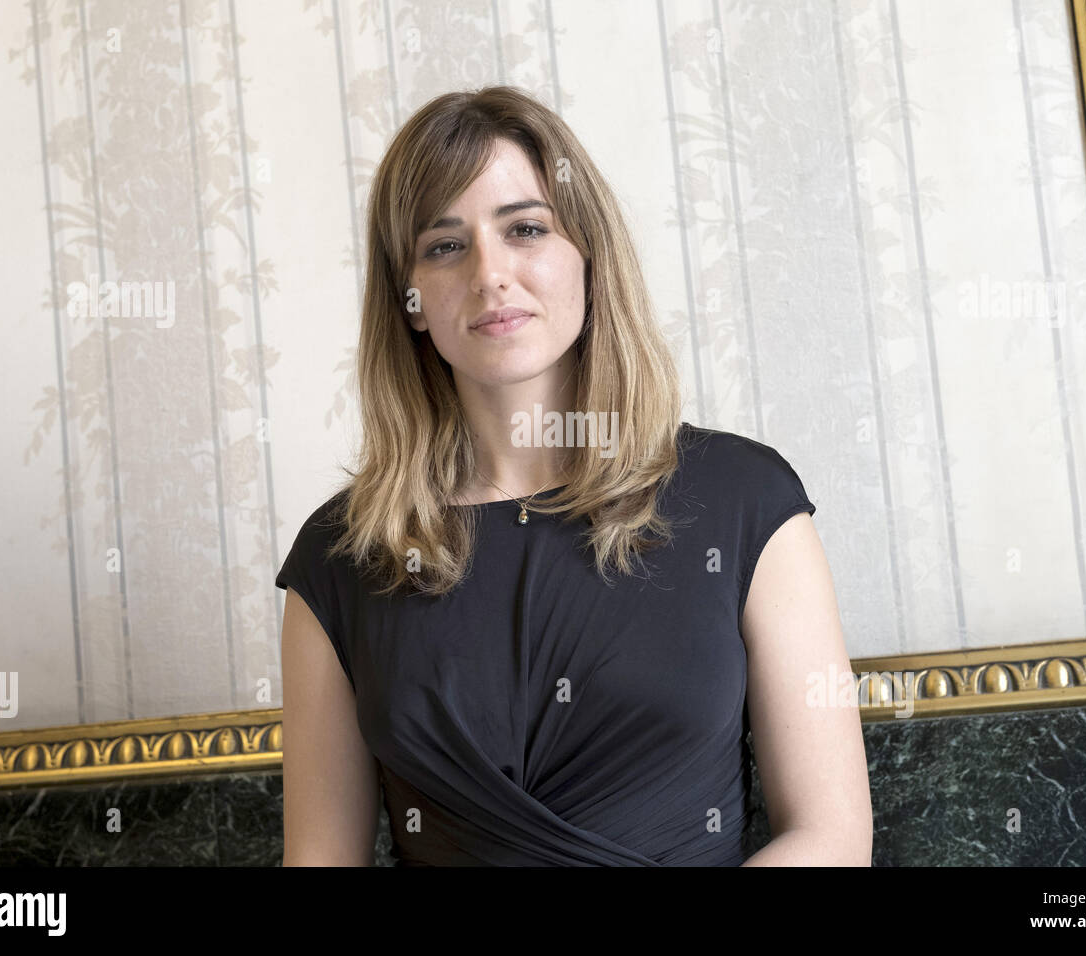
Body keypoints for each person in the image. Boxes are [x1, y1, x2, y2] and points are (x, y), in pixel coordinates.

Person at [277, 85, 871, 866]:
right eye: (445, 245)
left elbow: (829, 836)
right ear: (411, 299)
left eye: (525, 228)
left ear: (588, 255)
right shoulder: (340, 558)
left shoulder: (744, 500)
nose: (491, 274)